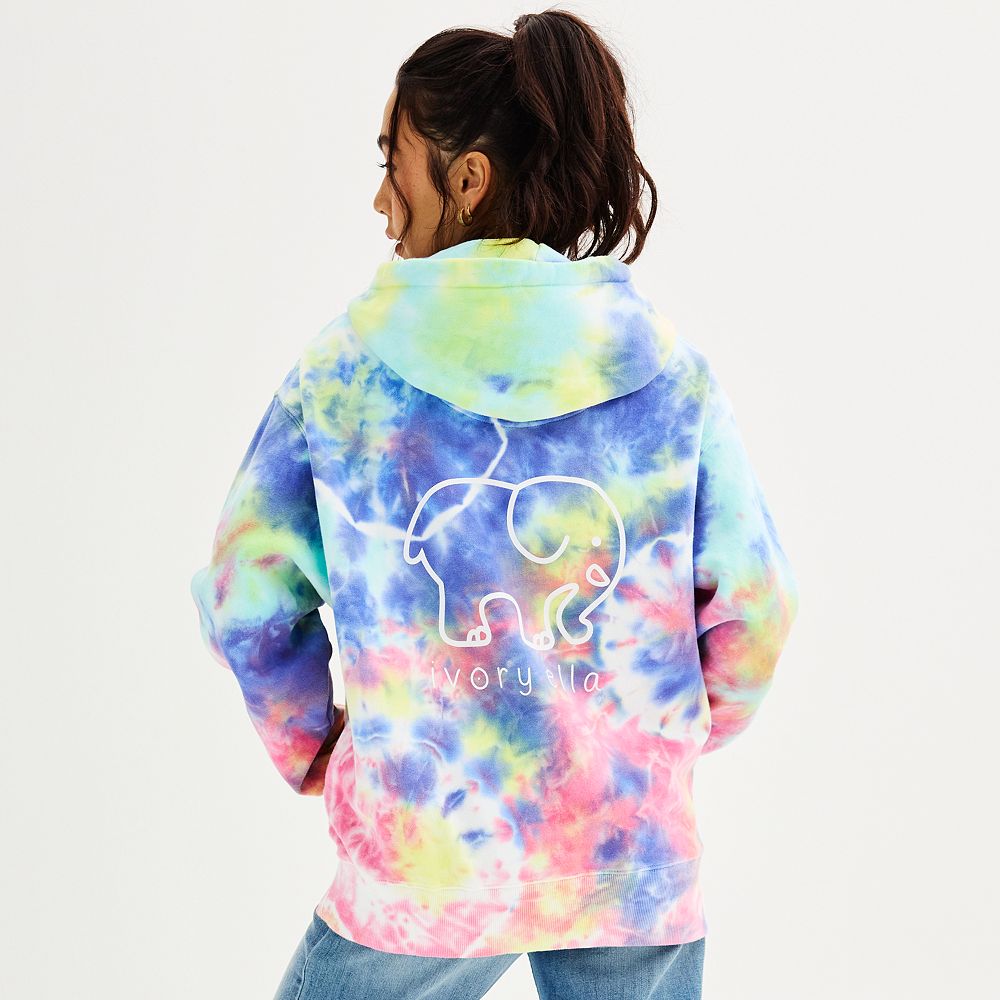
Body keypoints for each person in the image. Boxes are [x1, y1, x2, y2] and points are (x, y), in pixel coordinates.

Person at [189, 9, 799, 999]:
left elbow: (248, 596)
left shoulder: (344, 377)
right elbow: (758, 607)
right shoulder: (666, 375)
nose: (379, 198)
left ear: (468, 178)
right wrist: (657, 746)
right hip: (625, 855)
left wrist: (320, 749)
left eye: (392, 162)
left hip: (428, 856)